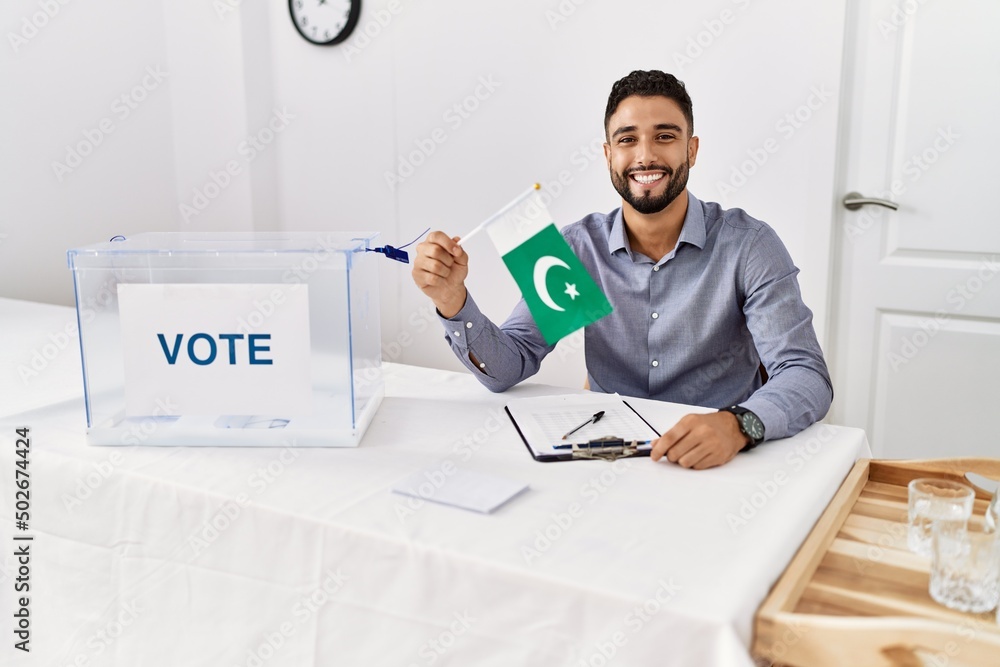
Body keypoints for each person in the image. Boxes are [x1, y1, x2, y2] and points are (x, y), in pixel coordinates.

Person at [411, 70, 832, 470]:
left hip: (723, 459)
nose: (645, 155)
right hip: (608, 455)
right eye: (627, 139)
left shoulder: (749, 245)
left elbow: (805, 373)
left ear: (692, 149)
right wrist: (452, 301)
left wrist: (739, 424)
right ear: (609, 154)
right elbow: (511, 366)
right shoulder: (575, 247)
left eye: (665, 136)